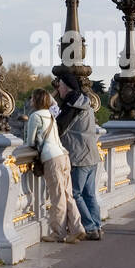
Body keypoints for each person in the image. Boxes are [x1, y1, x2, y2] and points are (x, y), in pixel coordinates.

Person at [26, 89, 86, 242]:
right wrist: (49, 95)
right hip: (64, 156)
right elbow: (54, 103)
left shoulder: (35, 116)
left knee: (57, 196)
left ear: (36, 100)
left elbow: (30, 142)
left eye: (32, 98)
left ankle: (58, 233)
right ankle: (77, 228)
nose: (30, 100)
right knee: (67, 195)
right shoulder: (52, 113)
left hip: (52, 158)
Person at [54, 67, 104, 240]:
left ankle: (90, 227)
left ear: (66, 87)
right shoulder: (85, 103)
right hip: (92, 155)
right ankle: (97, 226)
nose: (58, 89)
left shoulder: (72, 106)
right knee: (89, 194)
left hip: (79, 157)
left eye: (59, 86)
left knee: (75, 193)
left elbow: (58, 128)